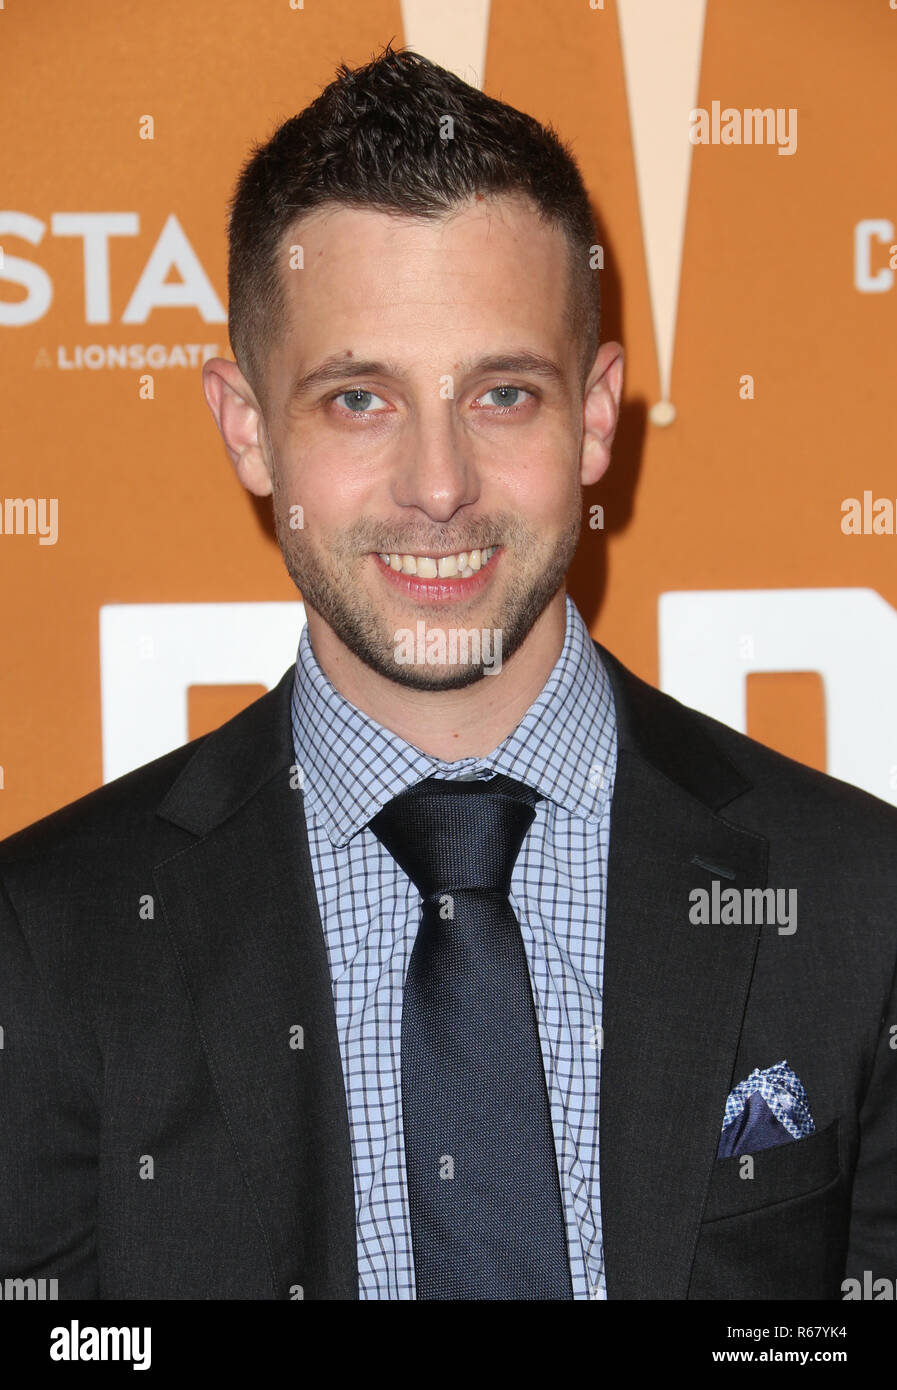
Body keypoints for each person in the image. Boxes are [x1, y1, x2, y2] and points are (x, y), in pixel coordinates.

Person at [1, 44, 895, 1302]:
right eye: (359, 399)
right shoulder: (47, 940)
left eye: (503, 394)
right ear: (248, 428)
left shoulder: (859, 899)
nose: (438, 485)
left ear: (595, 415)